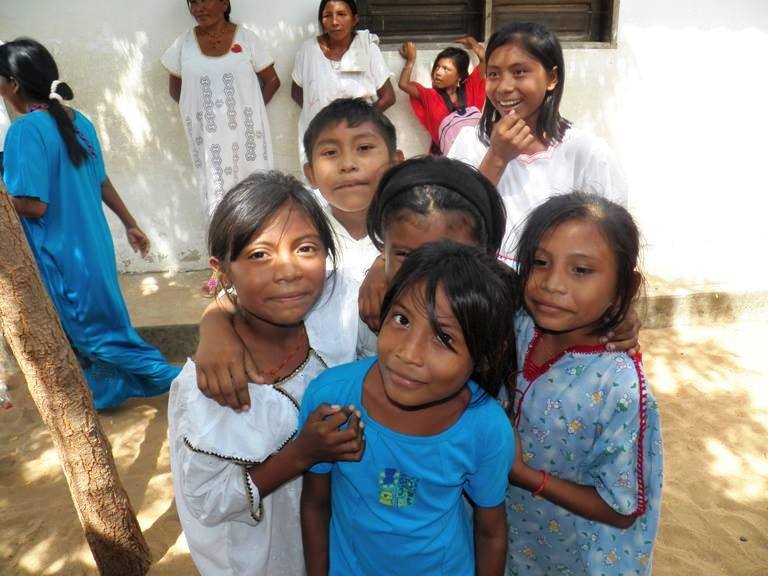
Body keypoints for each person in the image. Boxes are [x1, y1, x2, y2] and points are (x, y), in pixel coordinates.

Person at [168, 171, 364, 576]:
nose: (287, 270)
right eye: (260, 255)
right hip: (260, 559)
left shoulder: (337, 305)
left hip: (338, 542)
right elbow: (207, 501)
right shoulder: (209, 388)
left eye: (306, 248)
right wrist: (302, 454)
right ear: (222, 270)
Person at [300, 241, 516, 576]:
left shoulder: (486, 429)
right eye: (401, 319)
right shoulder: (331, 398)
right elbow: (316, 503)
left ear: (484, 356)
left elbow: (490, 531)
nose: (408, 354)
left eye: (443, 339)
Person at [0, 38, 179, 410]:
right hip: (93, 252)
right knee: (105, 333)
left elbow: (32, 205)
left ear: (13, 83)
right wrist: (131, 223)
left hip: (63, 258)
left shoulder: (24, 131)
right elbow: (101, 181)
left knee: (102, 340)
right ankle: (108, 393)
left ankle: (194, 382)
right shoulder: (77, 120)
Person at [194, 98, 403, 410]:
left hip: (397, 384)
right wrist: (214, 327)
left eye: (364, 148)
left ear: (395, 162)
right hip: (317, 390)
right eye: (331, 153)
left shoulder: (414, 219)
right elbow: (236, 289)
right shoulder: (298, 220)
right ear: (311, 173)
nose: (348, 164)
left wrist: (386, 260)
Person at [506, 192, 663, 575]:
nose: (552, 284)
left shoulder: (621, 388)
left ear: (625, 286)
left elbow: (621, 510)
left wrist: (525, 475)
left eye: (581, 271)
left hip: (575, 558)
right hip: (512, 542)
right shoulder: (518, 325)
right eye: (540, 263)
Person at [448, 22, 628, 259]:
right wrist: (497, 158)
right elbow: (451, 227)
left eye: (519, 72)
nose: (504, 87)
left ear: (552, 78)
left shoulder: (588, 154)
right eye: (493, 74)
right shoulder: (469, 143)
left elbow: (612, 244)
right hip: (483, 290)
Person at [162, 0, 280, 219]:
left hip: (247, 139)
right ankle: (223, 249)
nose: (198, 8)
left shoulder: (247, 39)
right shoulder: (183, 45)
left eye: (204, 1)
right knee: (217, 195)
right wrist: (203, 114)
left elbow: (272, 81)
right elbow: (177, 90)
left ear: (225, 3)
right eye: (193, 3)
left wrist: (248, 113)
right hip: (208, 140)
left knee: (254, 192)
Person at [291, 0, 395, 164]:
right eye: (327, 16)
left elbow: (388, 96)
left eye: (341, 14)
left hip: (359, 137)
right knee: (320, 183)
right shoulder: (308, 50)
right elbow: (297, 93)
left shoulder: (367, 49)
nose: (334, 22)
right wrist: (321, 115)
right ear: (321, 21)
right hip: (320, 136)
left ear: (354, 19)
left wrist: (360, 122)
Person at [398, 36, 485, 155]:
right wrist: (411, 60)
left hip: (474, 155)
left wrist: (473, 43)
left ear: (459, 76)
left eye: (446, 69)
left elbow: (486, 60)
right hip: (443, 159)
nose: (438, 73)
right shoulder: (430, 96)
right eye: (437, 67)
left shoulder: (471, 87)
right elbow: (403, 84)